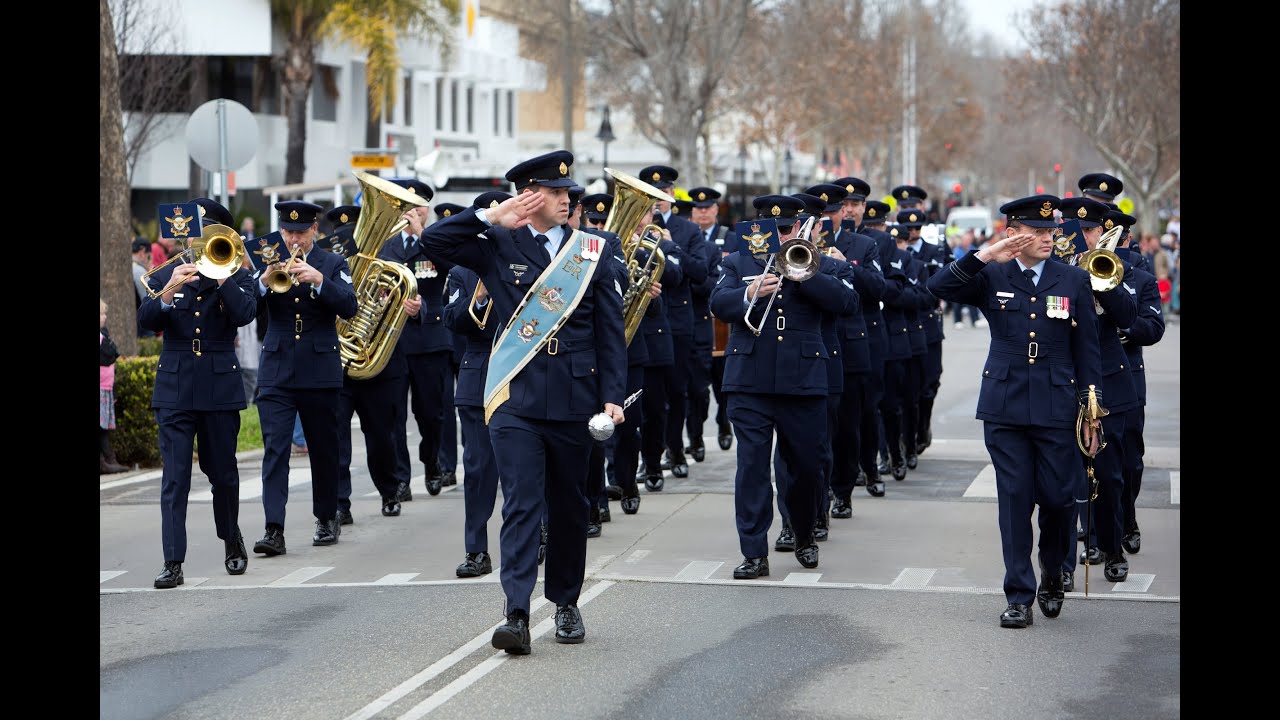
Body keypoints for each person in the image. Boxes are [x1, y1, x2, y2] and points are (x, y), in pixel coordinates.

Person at [422, 150, 626, 655]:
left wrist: (612, 397)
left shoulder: (594, 249)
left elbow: (609, 330)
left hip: (576, 397)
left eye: (567, 192)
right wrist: (491, 215)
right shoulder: (498, 242)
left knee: (569, 506)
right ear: (530, 197)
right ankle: (516, 611)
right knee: (521, 502)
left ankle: (565, 602)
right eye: (554, 192)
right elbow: (432, 242)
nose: (566, 199)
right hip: (515, 395)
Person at [926, 194, 1102, 628]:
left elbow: (1087, 349)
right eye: (1036, 231)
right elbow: (937, 288)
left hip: (1057, 405)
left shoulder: (1072, 279)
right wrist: (987, 254)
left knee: (1059, 499)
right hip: (1005, 405)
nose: (1047, 238)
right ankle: (1019, 595)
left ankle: (1053, 572)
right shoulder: (993, 274)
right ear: (1013, 234)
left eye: (1050, 231)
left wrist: (1092, 409)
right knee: (1014, 499)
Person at [710, 195, 858, 580]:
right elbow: (718, 303)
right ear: (757, 228)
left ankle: (804, 533)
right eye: (773, 229)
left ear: (799, 227)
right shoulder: (737, 262)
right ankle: (754, 552)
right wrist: (749, 293)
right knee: (752, 468)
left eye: (788, 229)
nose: (781, 236)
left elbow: (848, 302)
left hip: (803, 381)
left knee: (806, 467)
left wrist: (806, 275)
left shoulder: (819, 261)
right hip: (749, 379)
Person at [137, 197, 260, 588]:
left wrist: (222, 276)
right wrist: (169, 289)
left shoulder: (237, 274)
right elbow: (145, 321)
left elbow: (244, 314)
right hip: (175, 385)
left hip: (219, 385)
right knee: (175, 477)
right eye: (194, 233)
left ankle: (231, 538)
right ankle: (173, 561)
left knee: (222, 473)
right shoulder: (167, 273)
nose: (197, 240)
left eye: (207, 233)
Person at [249, 200, 358, 555]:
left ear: (314, 229)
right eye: (288, 232)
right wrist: (263, 281)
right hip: (277, 367)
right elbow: (245, 309)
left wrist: (320, 281)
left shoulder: (333, 263)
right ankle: (273, 528)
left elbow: (350, 306)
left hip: (319, 368)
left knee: (324, 448)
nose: (294, 239)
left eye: (300, 232)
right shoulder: (267, 260)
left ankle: (326, 517)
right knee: (275, 449)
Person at [1057, 196, 1139, 587]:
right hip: (1062, 383)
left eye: (1091, 230)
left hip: (1109, 382)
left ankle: (1112, 547)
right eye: (1079, 230)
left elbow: (1128, 316)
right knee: (1064, 480)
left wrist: (1099, 280)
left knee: (1109, 477)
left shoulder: (1113, 265)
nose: (1086, 237)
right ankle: (1064, 564)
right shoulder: (1052, 269)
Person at [380, 178, 456, 498]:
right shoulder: (387, 245)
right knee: (394, 414)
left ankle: (432, 460)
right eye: (406, 206)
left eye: (418, 206)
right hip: (393, 340)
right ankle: (401, 478)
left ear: (426, 210)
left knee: (431, 412)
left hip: (430, 338)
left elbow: (454, 268)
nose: (412, 211)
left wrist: (424, 234)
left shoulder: (435, 240)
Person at [639, 165, 710, 480]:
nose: (658, 199)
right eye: (652, 193)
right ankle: (649, 458)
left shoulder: (688, 230)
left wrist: (669, 245)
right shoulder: (633, 224)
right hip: (642, 320)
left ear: (671, 195)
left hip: (678, 321)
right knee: (646, 396)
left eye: (663, 192)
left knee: (677, 389)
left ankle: (676, 449)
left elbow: (699, 272)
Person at [100, 299, 130, 474]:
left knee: (104, 426)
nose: (105, 317)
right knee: (101, 427)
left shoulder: (103, 335)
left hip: (106, 387)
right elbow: (110, 355)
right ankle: (106, 460)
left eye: (105, 314)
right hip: (101, 388)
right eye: (101, 314)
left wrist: (114, 390)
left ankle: (109, 459)